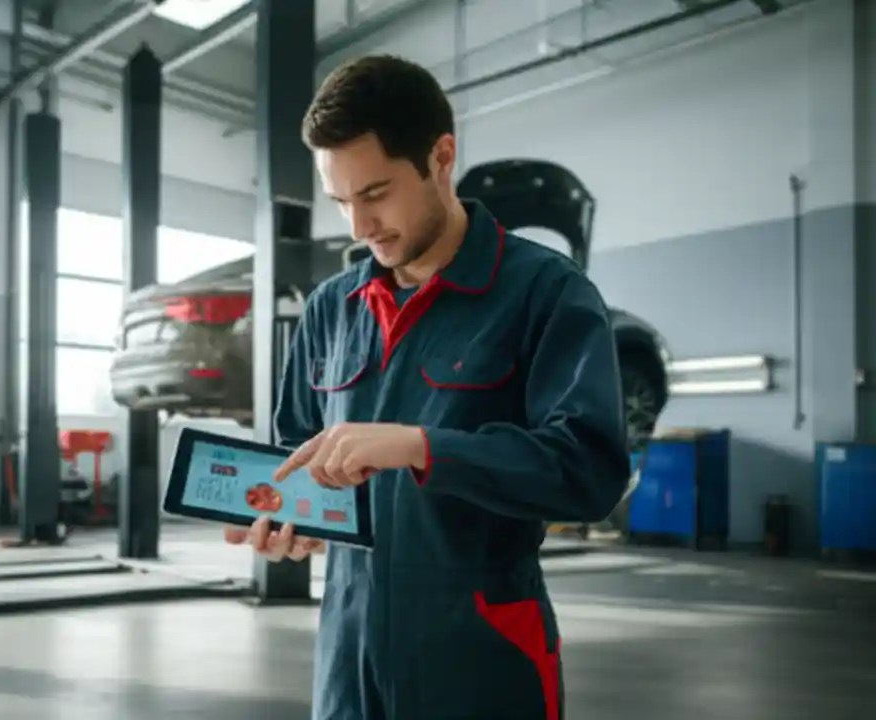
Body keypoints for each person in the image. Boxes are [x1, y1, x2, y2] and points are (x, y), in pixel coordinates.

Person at [223, 55, 631, 720]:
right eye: (342, 202)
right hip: (349, 655)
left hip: (482, 652)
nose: (359, 227)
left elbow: (588, 471)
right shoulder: (332, 308)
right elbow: (298, 449)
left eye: (376, 194)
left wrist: (420, 446)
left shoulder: (545, 293)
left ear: (441, 156)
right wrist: (291, 519)